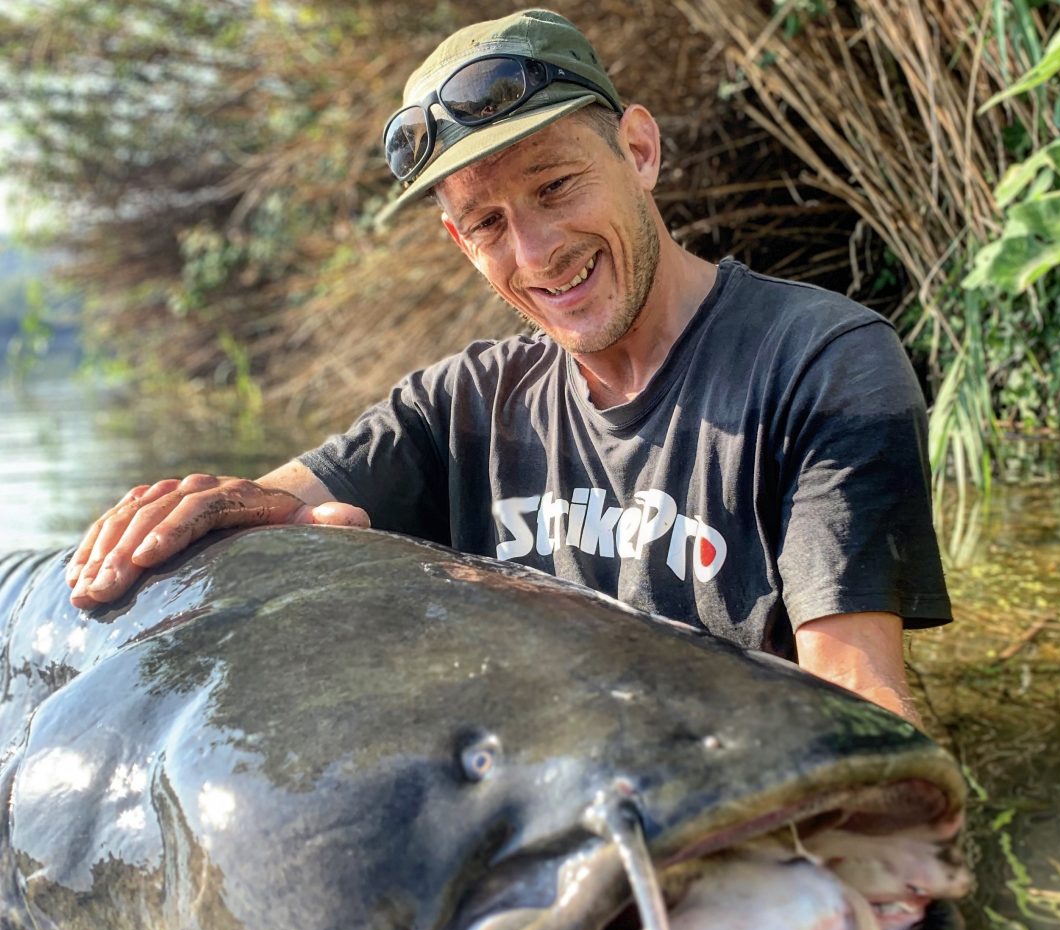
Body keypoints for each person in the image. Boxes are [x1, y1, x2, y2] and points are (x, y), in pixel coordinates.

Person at [66, 7, 950, 726]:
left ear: (638, 152)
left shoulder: (822, 364)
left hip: (724, 798)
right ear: (459, 243)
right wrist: (193, 524)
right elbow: (273, 515)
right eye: (487, 224)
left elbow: (860, 703)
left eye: (557, 186)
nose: (535, 250)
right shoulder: (461, 405)